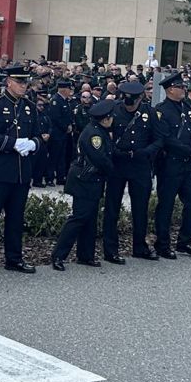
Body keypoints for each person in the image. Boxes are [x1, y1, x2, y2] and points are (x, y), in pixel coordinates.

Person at [0, 65, 42, 276]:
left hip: (21, 171)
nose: (23, 86)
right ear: (9, 82)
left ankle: (14, 258)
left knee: (16, 218)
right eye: (19, 82)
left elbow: (40, 134)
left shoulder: (29, 107)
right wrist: (12, 143)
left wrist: (33, 144)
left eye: (25, 83)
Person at [51, 99, 117, 271]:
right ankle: (58, 255)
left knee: (90, 219)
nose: (113, 120)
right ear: (105, 119)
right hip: (85, 180)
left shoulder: (99, 131)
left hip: (92, 181)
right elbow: (100, 159)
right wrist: (114, 172)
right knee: (79, 218)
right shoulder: (94, 135)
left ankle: (85, 255)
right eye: (111, 117)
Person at [102, 81, 161, 262]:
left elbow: (159, 139)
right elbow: (104, 135)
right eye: (127, 101)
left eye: (133, 102)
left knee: (140, 208)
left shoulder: (149, 113)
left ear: (140, 98)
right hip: (118, 165)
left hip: (140, 165)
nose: (129, 105)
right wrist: (114, 151)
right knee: (112, 208)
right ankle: (110, 250)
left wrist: (146, 153)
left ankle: (139, 247)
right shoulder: (114, 110)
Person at [151, 76, 191, 258]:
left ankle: (185, 242)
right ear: (170, 90)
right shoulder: (161, 110)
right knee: (166, 205)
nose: (184, 89)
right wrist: (189, 151)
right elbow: (166, 139)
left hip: (187, 165)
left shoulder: (188, 108)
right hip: (170, 164)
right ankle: (162, 244)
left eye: (183, 86)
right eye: (180, 87)